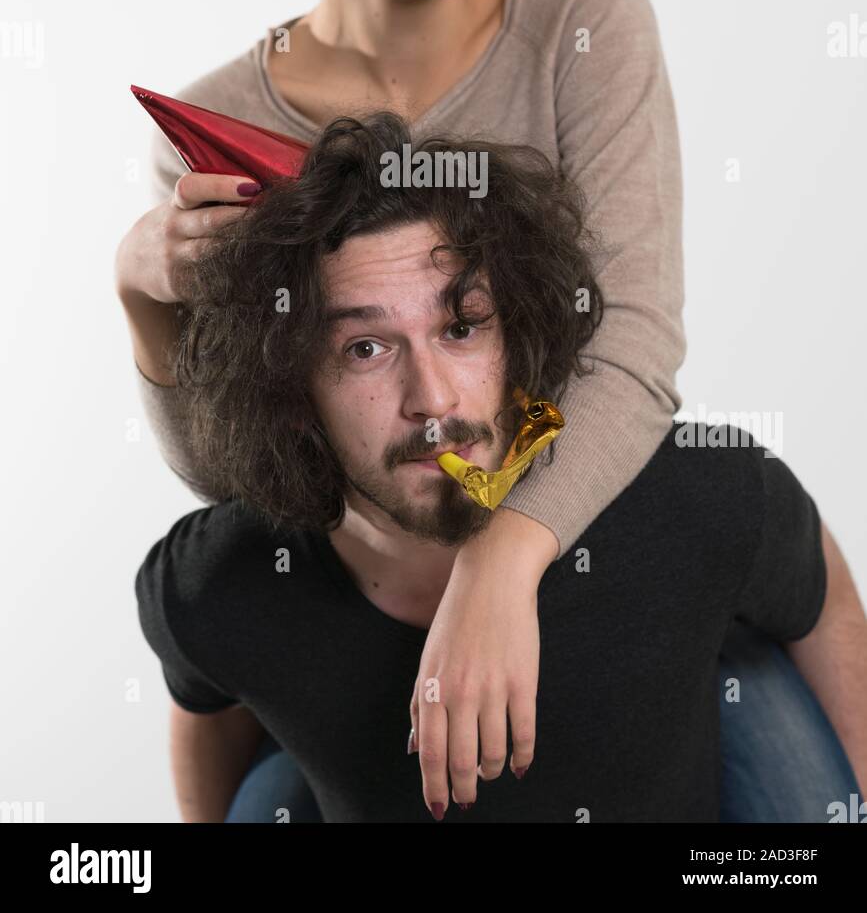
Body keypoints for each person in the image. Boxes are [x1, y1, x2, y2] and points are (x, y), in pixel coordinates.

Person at [116, 0, 852, 819]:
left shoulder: (581, 23)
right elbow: (246, 462)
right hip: (379, 598)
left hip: (601, 559)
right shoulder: (215, 118)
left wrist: (504, 563)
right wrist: (143, 294)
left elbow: (637, 344)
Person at [135, 112, 867, 823]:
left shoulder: (698, 493)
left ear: (518, 336)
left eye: (460, 327)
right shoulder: (220, 577)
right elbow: (205, 701)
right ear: (292, 389)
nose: (432, 399)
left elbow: (819, 598)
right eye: (365, 348)